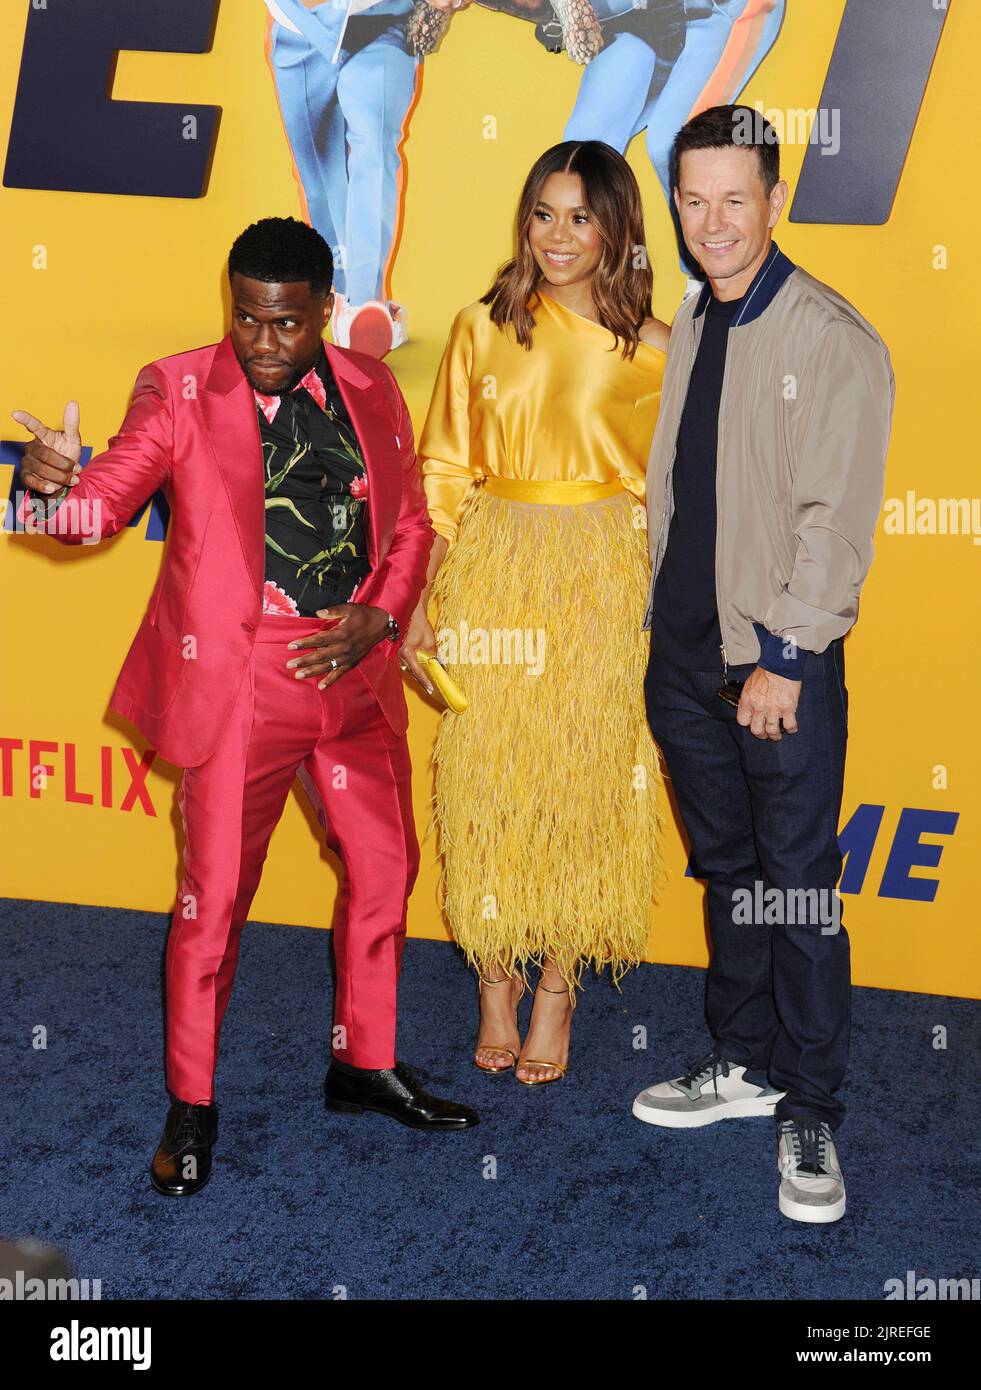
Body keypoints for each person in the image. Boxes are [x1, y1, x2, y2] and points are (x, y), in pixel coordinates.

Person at [13, 216, 478, 1199]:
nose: (263, 344)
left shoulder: (373, 387)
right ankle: (190, 1106)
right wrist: (44, 489)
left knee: (386, 871)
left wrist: (379, 619)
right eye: (247, 319)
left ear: (323, 313)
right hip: (239, 684)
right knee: (213, 905)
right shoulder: (179, 387)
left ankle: (364, 1061)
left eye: (287, 324)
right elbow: (97, 510)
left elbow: (411, 526)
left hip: (352, 673)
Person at [634, 106, 894, 1224]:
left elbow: (833, 524)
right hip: (689, 660)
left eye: (735, 198)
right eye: (693, 200)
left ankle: (814, 1111)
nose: (712, 222)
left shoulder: (830, 336)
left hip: (772, 670)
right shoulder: (699, 312)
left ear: (776, 201)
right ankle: (743, 1063)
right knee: (731, 877)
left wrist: (786, 657)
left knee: (797, 889)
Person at [402, 141, 670, 1085]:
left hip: (602, 576)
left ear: (616, 229)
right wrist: (423, 598)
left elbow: (673, 493)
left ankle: (558, 986)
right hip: (493, 565)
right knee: (487, 780)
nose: (557, 237)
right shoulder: (483, 326)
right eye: (543, 215)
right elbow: (441, 470)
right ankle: (494, 981)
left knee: (585, 781)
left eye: (580, 218)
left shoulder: (658, 350)